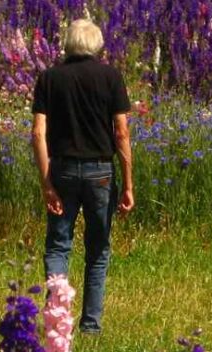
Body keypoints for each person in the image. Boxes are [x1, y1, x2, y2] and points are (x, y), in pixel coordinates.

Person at [31, 18, 134, 335]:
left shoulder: (49, 78)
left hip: (62, 170)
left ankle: (57, 321)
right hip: (101, 171)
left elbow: (38, 133)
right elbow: (121, 133)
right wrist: (128, 184)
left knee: (58, 246)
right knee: (98, 249)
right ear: (96, 44)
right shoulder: (110, 77)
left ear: (68, 44)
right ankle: (91, 326)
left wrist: (46, 183)